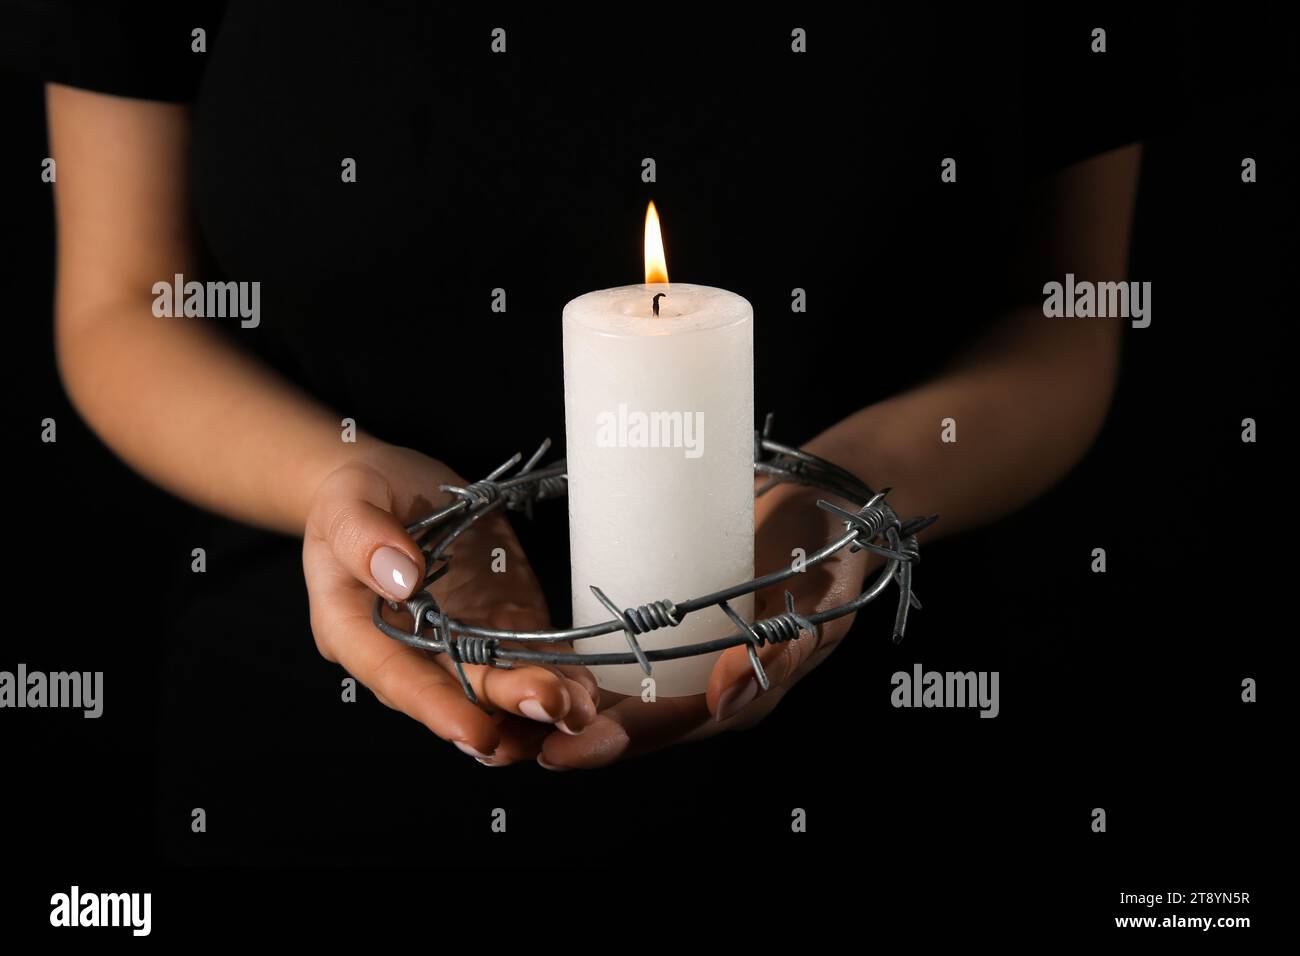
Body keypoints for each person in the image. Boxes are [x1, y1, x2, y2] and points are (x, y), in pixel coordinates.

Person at [24, 5, 1144, 771]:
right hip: (307, 742)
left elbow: (1069, 316)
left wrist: (850, 498)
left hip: (921, 749)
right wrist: (337, 482)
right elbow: (123, 304)